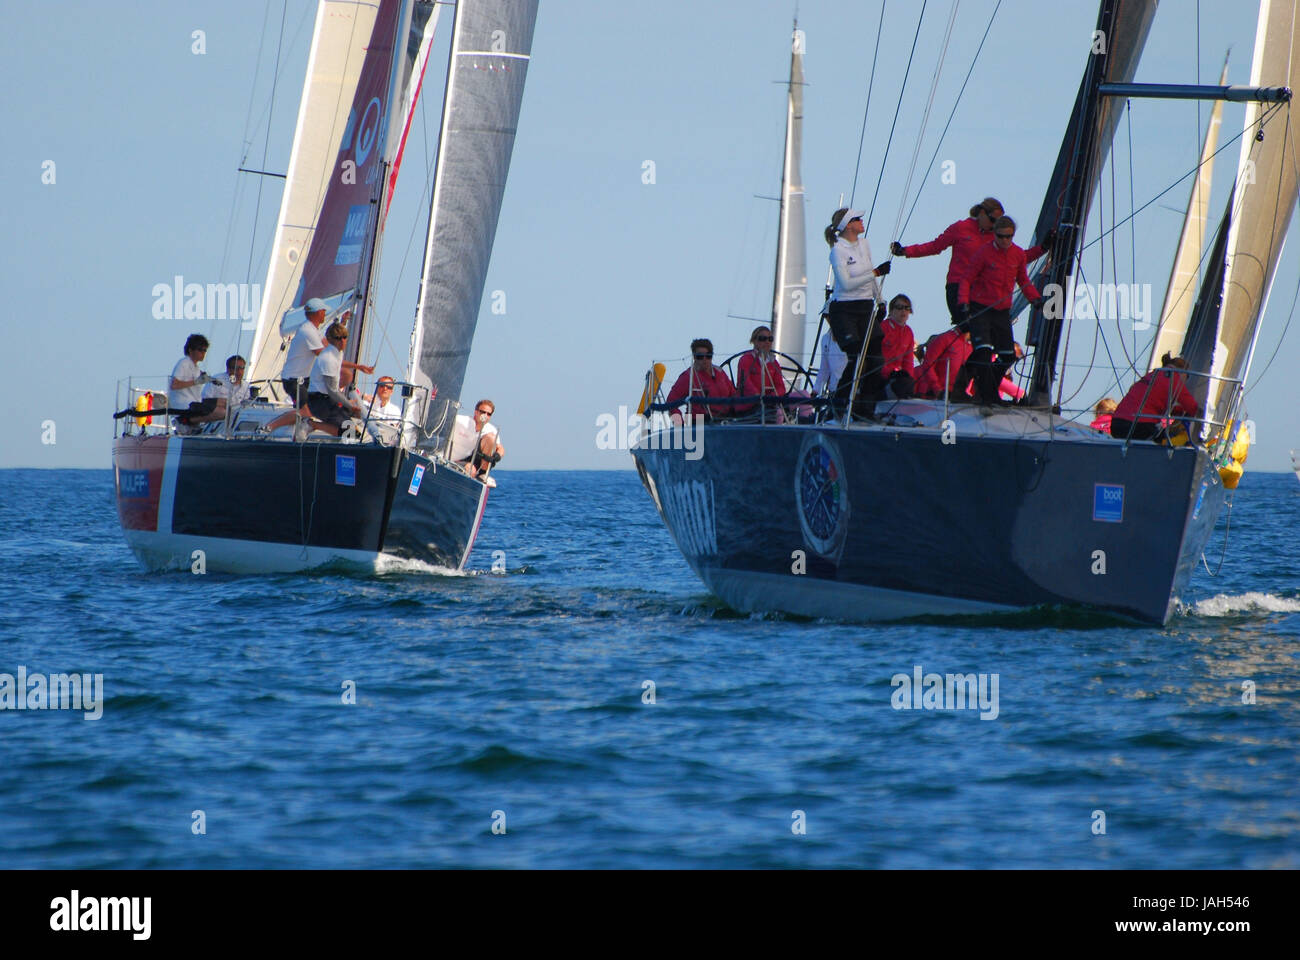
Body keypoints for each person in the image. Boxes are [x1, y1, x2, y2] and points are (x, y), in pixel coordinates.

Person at [891, 198, 1052, 326]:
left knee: (986, 332)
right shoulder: (961, 228)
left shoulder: (995, 237)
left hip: (982, 290)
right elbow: (935, 246)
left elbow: (1017, 257)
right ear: (981, 213)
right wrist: (905, 251)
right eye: (992, 220)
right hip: (958, 286)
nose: (995, 225)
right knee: (970, 328)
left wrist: (1043, 248)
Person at [954, 216, 1044, 404]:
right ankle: (988, 397)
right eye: (1000, 236)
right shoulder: (983, 253)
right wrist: (963, 302)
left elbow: (1023, 280)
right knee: (984, 352)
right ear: (994, 234)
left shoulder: (1017, 254)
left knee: (1007, 355)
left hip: (1001, 312)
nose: (1004, 240)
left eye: (1008, 236)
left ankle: (983, 390)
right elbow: (967, 278)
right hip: (981, 309)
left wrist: (1035, 299)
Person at [826, 207, 891, 417]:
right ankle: (840, 402)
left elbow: (869, 273)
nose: (862, 221)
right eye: (857, 219)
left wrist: (879, 298)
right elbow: (845, 284)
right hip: (844, 309)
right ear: (848, 225)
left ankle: (866, 407)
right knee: (857, 359)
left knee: (875, 360)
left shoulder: (864, 244)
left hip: (864, 307)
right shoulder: (838, 250)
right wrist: (876, 272)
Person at [1110, 354, 1200, 442]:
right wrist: (1188, 419)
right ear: (1183, 372)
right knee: (1171, 439)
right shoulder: (1172, 377)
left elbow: (1153, 402)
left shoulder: (1152, 375)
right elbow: (1192, 407)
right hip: (1139, 426)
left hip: (1116, 424)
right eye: (1187, 377)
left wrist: (1178, 411)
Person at [301, 322, 361, 438]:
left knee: (358, 420)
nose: (342, 341)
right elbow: (332, 390)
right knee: (352, 433)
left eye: (345, 337)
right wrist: (349, 406)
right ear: (330, 339)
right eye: (338, 338)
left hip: (328, 399)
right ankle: (311, 424)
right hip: (318, 401)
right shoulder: (328, 358)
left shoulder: (338, 353)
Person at [665, 338, 737, 422]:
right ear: (694, 357)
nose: (704, 359)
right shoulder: (688, 376)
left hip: (726, 419)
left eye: (708, 356)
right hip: (699, 420)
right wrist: (680, 425)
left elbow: (734, 394)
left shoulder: (720, 372)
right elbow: (670, 402)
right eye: (700, 356)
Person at [281, 297, 329, 407]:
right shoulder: (307, 331)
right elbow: (322, 354)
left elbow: (328, 345)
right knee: (304, 410)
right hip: (293, 380)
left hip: (304, 379)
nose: (325, 313)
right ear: (317, 312)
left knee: (312, 408)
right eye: (323, 311)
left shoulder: (314, 330)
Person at [734, 325, 788, 420]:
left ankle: (808, 429)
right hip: (702, 416)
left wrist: (770, 398)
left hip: (768, 404)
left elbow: (780, 387)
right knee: (700, 432)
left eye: (770, 339)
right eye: (700, 357)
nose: (767, 342)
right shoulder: (746, 360)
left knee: (803, 396)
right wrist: (759, 397)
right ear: (754, 341)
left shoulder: (774, 363)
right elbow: (745, 384)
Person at [187, 354, 250, 426]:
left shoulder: (246, 386)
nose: (239, 371)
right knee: (225, 409)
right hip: (215, 420)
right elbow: (204, 401)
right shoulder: (216, 379)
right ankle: (190, 420)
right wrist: (221, 403)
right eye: (236, 368)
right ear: (228, 369)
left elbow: (246, 406)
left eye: (242, 368)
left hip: (235, 423)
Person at [913, 323, 972, 399]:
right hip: (937, 398)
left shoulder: (971, 348)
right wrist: (937, 390)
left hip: (960, 398)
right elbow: (928, 364)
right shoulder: (945, 339)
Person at [168, 334, 213, 432]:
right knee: (216, 412)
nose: (203, 353)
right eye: (200, 350)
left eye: (205, 350)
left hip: (193, 404)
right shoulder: (184, 363)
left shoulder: (196, 368)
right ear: (190, 350)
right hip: (183, 405)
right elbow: (174, 385)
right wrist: (197, 382)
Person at [450, 399, 504, 479]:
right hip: (450, 459)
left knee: (491, 438)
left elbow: (500, 448)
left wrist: (497, 455)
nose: (485, 415)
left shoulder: (492, 430)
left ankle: (482, 474)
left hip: (470, 461)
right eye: (482, 412)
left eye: (488, 414)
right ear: (476, 412)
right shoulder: (460, 420)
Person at [878, 294, 917, 400]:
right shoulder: (882, 328)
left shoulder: (908, 332)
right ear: (891, 311)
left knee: (907, 386)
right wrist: (889, 372)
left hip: (898, 377)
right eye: (899, 307)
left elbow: (908, 360)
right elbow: (875, 355)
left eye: (906, 308)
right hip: (880, 376)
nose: (903, 311)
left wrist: (909, 378)